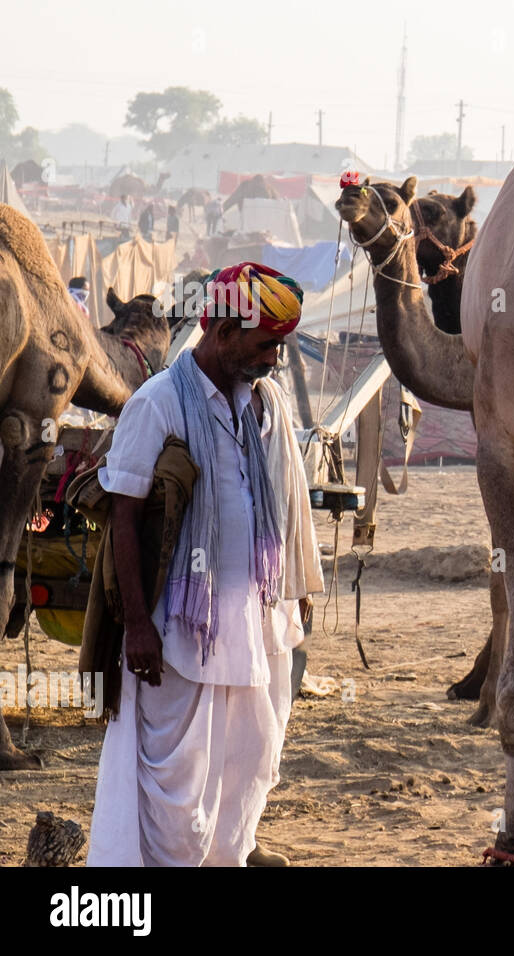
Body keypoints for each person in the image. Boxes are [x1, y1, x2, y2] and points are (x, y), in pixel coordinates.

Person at [86, 261, 323, 867]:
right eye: (266, 344)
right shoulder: (158, 403)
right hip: (178, 637)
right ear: (221, 333)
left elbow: (286, 500)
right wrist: (137, 623)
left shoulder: (265, 403)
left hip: (257, 626)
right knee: (175, 793)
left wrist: (296, 593)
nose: (274, 358)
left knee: (250, 762)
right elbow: (124, 517)